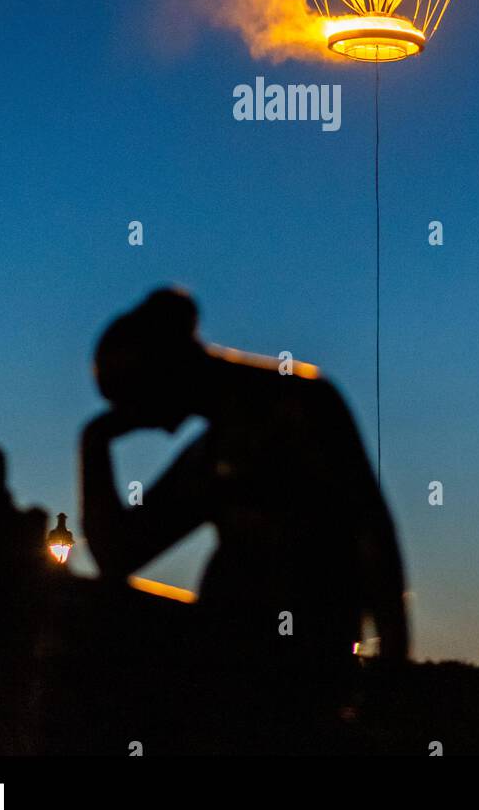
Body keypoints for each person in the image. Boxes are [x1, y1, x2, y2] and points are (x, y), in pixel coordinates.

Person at [81, 288, 408, 744]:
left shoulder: (297, 405)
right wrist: (94, 443)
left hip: (294, 663)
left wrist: (393, 661)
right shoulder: (211, 450)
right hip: (237, 660)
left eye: (128, 395)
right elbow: (117, 555)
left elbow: (371, 528)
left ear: (161, 368)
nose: (129, 413)